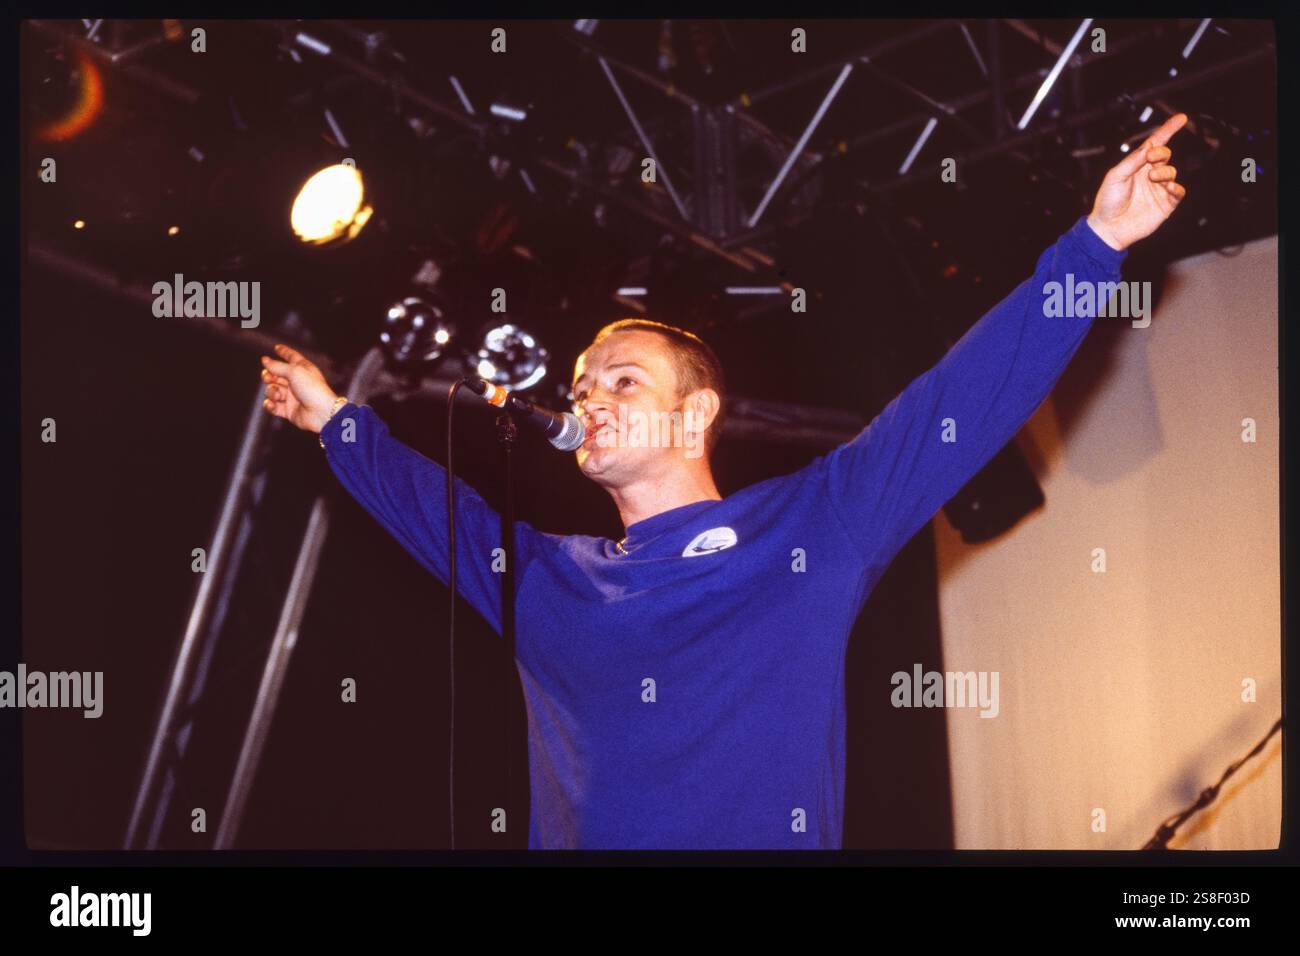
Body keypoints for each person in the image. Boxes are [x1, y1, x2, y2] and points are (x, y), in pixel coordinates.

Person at [259, 114, 1189, 849]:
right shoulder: (548, 579)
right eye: (584, 386)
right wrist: (337, 417)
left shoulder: (812, 527)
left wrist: (1096, 243)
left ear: (697, 414)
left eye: (623, 381)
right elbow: (436, 509)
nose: (592, 397)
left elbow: (962, 399)